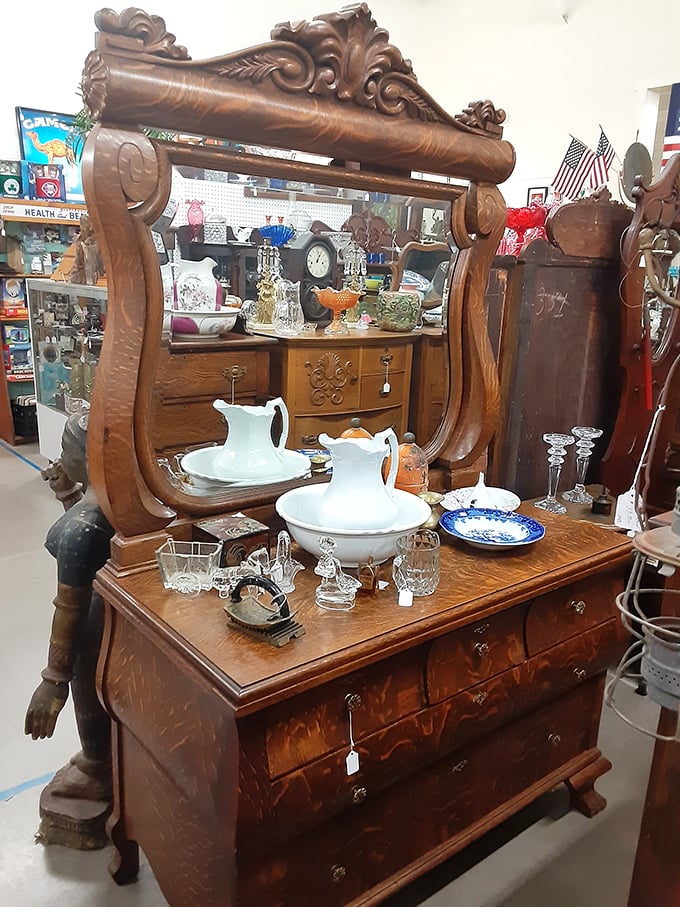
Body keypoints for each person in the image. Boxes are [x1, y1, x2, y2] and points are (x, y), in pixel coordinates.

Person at [24, 411, 115, 813]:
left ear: (88, 454)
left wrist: (52, 681)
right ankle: (99, 759)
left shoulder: (84, 526)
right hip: (98, 612)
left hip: (89, 621)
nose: (61, 458)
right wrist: (66, 494)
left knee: (87, 689)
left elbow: (69, 603)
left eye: (66, 449)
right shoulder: (103, 503)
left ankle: (98, 765)